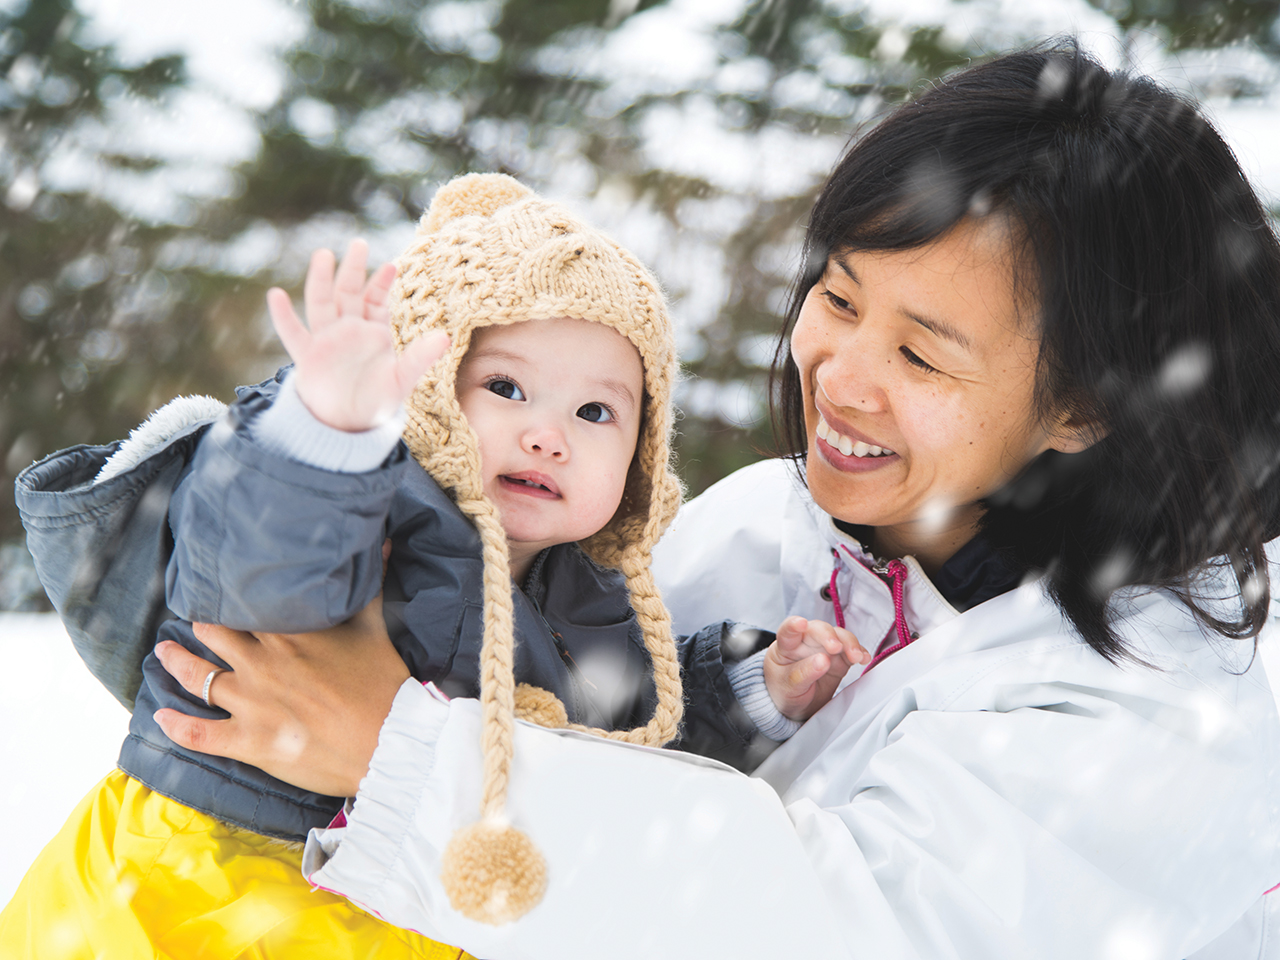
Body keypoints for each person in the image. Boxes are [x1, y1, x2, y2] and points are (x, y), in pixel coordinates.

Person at [136, 44, 1280, 959]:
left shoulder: (1152, 716)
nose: (837, 373)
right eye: (836, 296)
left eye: (921, 358)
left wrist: (399, 760)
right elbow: (600, 720)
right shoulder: (764, 524)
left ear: (1085, 405)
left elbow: (842, 929)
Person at [1, 173, 866, 957]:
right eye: (506, 388)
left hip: (405, 911)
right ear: (426, 381)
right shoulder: (371, 504)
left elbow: (620, 760)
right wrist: (323, 434)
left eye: (596, 410)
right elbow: (255, 573)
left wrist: (741, 692)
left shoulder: (587, 595)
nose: (547, 433)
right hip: (209, 889)